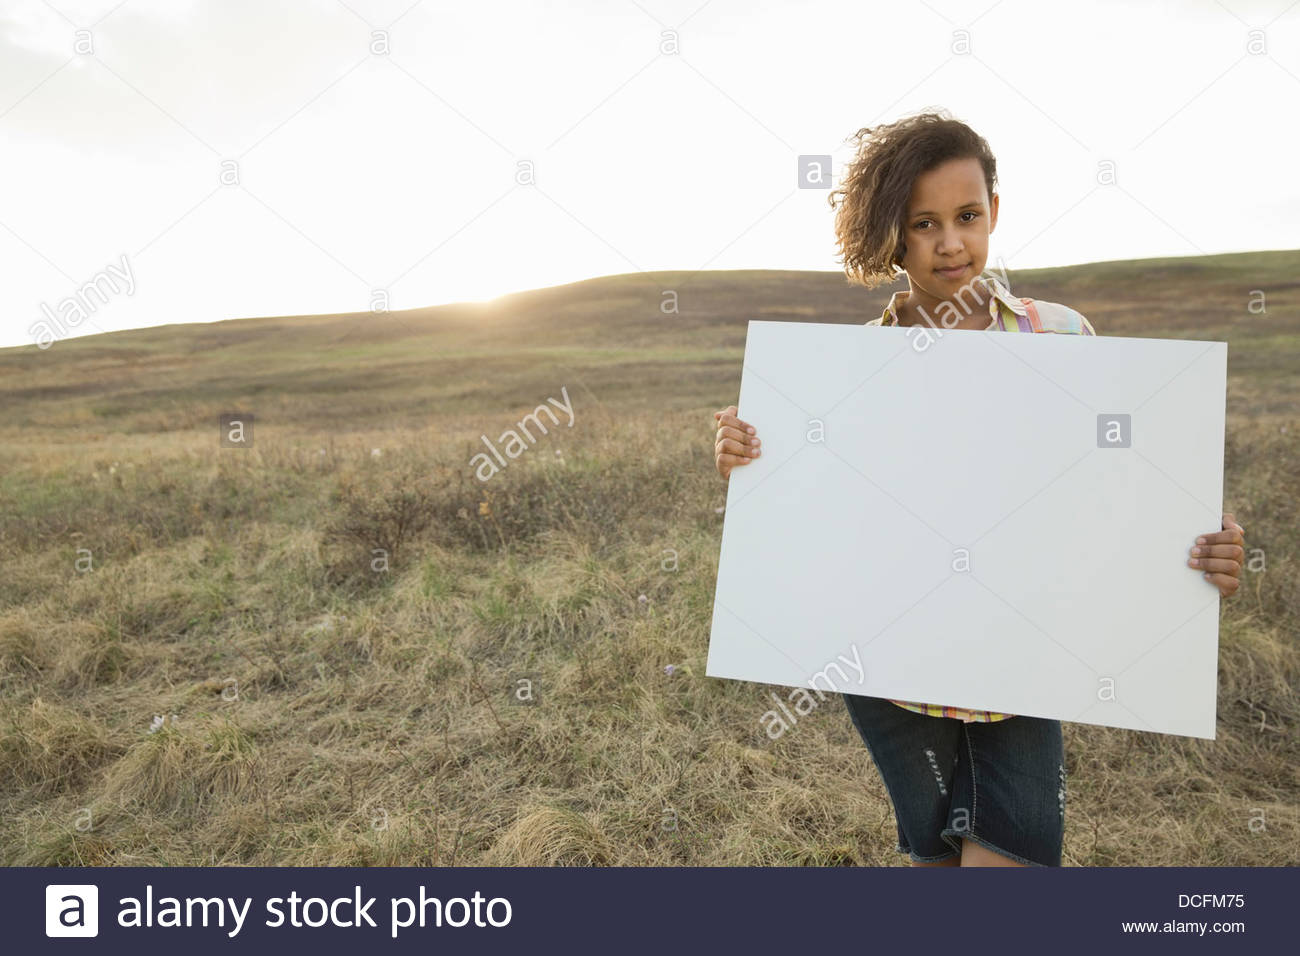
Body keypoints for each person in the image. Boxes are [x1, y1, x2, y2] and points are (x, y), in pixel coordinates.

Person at [711, 109, 1245, 867]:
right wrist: (748, 463)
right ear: (892, 233)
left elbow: (1124, 493)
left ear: (994, 209)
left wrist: (1200, 546)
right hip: (892, 677)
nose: (951, 243)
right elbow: (809, 520)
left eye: (966, 216)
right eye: (923, 224)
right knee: (937, 868)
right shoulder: (843, 374)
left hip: (1023, 671)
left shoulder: (1060, 337)